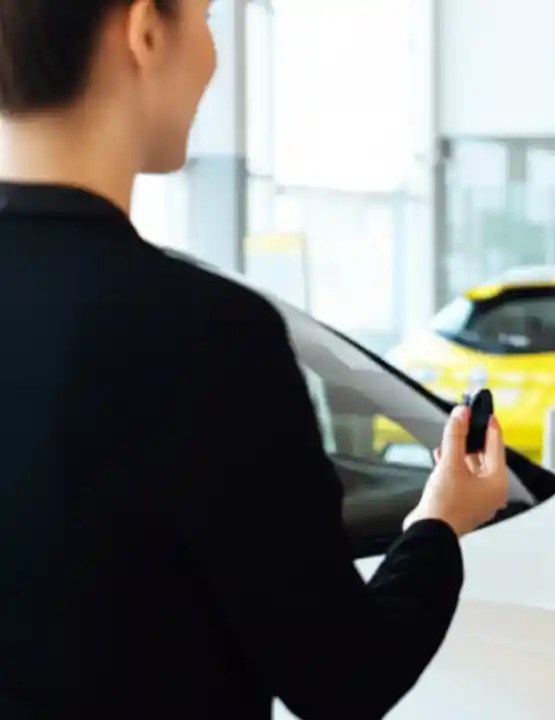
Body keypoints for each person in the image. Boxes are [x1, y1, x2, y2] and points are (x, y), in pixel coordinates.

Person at [0, 1, 509, 717]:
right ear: (145, 30)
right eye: (208, 17)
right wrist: (439, 523)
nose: (212, 54)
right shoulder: (205, 333)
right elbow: (341, 678)